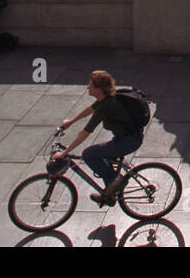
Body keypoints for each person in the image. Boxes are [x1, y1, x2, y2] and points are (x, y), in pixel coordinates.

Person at [51, 71, 146, 205]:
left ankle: (116, 181)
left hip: (129, 141)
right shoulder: (106, 99)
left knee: (88, 154)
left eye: (90, 85)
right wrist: (71, 122)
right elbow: (90, 109)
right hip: (127, 137)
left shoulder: (106, 106)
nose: (87, 87)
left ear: (98, 89)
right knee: (102, 154)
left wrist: (64, 153)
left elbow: (85, 132)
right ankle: (110, 193)